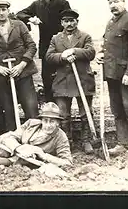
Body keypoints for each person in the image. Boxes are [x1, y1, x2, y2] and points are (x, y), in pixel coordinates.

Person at [96, 0, 128, 155]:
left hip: (125, 75)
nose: (113, 5)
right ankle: (123, 143)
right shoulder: (111, 22)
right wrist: (101, 54)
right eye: (110, 2)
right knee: (117, 110)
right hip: (112, 74)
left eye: (116, 1)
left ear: (123, 1)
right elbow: (107, 45)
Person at [45, 9, 96, 154]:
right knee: (63, 115)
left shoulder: (85, 36)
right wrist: (62, 56)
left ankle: (86, 141)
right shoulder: (56, 38)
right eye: (66, 21)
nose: (69, 24)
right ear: (62, 23)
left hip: (82, 79)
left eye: (72, 21)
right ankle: (66, 141)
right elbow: (48, 57)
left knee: (85, 113)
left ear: (77, 22)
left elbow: (91, 53)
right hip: (63, 81)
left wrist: (74, 51)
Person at [16, 0, 71, 103]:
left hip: (61, 44)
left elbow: (69, 20)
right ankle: (50, 108)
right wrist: (31, 19)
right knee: (46, 78)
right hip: (45, 45)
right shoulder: (37, 4)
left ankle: (64, 108)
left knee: (63, 76)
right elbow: (20, 14)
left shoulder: (62, 3)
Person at [0, 1, 39, 132]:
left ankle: (33, 136)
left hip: (23, 72)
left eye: (4, 9)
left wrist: (22, 65)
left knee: (31, 106)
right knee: (8, 108)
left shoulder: (19, 25)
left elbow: (31, 46)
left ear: (8, 11)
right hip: (3, 74)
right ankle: (12, 137)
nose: (1, 12)